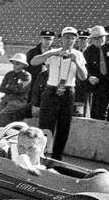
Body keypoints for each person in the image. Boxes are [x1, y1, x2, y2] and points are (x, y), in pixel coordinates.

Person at [31, 26, 87, 160]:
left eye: (73, 38)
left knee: (63, 126)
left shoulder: (78, 54)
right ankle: (42, 153)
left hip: (68, 91)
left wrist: (76, 62)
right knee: (46, 124)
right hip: (51, 90)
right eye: (67, 37)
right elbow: (33, 62)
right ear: (61, 39)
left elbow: (83, 76)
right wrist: (51, 54)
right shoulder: (53, 52)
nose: (70, 40)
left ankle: (57, 156)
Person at [81, 26, 109, 121]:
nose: (99, 40)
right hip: (96, 85)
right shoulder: (88, 51)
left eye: (101, 37)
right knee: (95, 112)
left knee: (105, 110)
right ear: (92, 39)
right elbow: (84, 67)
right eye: (96, 38)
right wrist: (89, 77)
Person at [0, 54, 33, 126]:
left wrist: (8, 86)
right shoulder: (9, 74)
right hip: (6, 98)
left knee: (3, 115)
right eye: (14, 63)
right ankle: (1, 131)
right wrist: (14, 87)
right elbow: (1, 88)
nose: (14, 65)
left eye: (17, 64)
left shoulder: (26, 76)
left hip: (18, 100)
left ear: (23, 65)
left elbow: (20, 90)